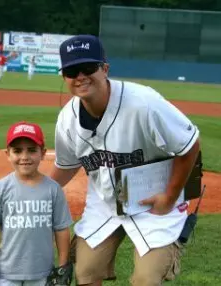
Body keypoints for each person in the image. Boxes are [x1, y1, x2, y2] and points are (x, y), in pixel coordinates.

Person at [50, 34, 201, 286]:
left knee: (145, 279)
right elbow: (66, 166)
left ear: (105, 69)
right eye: (72, 71)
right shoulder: (67, 119)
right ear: (64, 76)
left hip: (156, 200)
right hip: (107, 201)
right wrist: (34, 191)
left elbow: (189, 144)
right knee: (85, 272)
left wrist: (170, 197)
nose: (80, 76)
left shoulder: (144, 103)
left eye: (88, 68)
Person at [0, 121, 73, 286]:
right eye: (17, 151)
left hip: (42, 272)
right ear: (7, 154)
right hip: (6, 273)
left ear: (43, 153)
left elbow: (61, 229)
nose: (24, 157)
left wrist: (63, 266)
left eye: (31, 150)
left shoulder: (53, 189)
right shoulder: (0, 188)